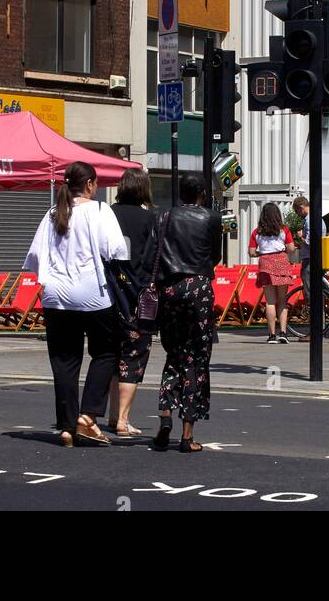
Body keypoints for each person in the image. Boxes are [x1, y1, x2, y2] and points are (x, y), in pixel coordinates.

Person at [23, 161, 127, 448]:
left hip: (56, 296)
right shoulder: (100, 210)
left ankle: (67, 427)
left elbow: (34, 257)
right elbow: (116, 250)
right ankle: (88, 415)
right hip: (93, 293)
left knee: (65, 361)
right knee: (106, 352)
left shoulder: (53, 212)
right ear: (91, 184)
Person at [154, 173, 222, 453]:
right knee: (196, 360)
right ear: (203, 194)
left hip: (169, 288)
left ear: (180, 194)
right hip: (198, 288)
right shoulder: (211, 218)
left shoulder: (163, 217)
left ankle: (165, 416)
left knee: (174, 354)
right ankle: (187, 435)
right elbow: (215, 256)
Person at [106, 168, 158, 439]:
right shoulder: (150, 218)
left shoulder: (107, 213)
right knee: (133, 358)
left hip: (105, 295)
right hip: (137, 296)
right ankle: (123, 420)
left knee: (109, 357)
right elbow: (153, 259)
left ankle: (112, 413)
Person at [249, 203, 296, 344]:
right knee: (282, 301)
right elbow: (291, 248)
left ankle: (272, 335)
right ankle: (283, 333)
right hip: (281, 262)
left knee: (270, 301)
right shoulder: (284, 230)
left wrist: (261, 253)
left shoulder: (257, 232)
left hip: (265, 263)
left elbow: (251, 252)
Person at [293, 195, 311, 289]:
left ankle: (310, 304)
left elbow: (310, 242)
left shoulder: (309, 220)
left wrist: (300, 237)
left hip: (309, 260)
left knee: (308, 289)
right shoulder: (314, 218)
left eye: (296, 211)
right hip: (312, 258)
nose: (297, 214)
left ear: (301, 207)